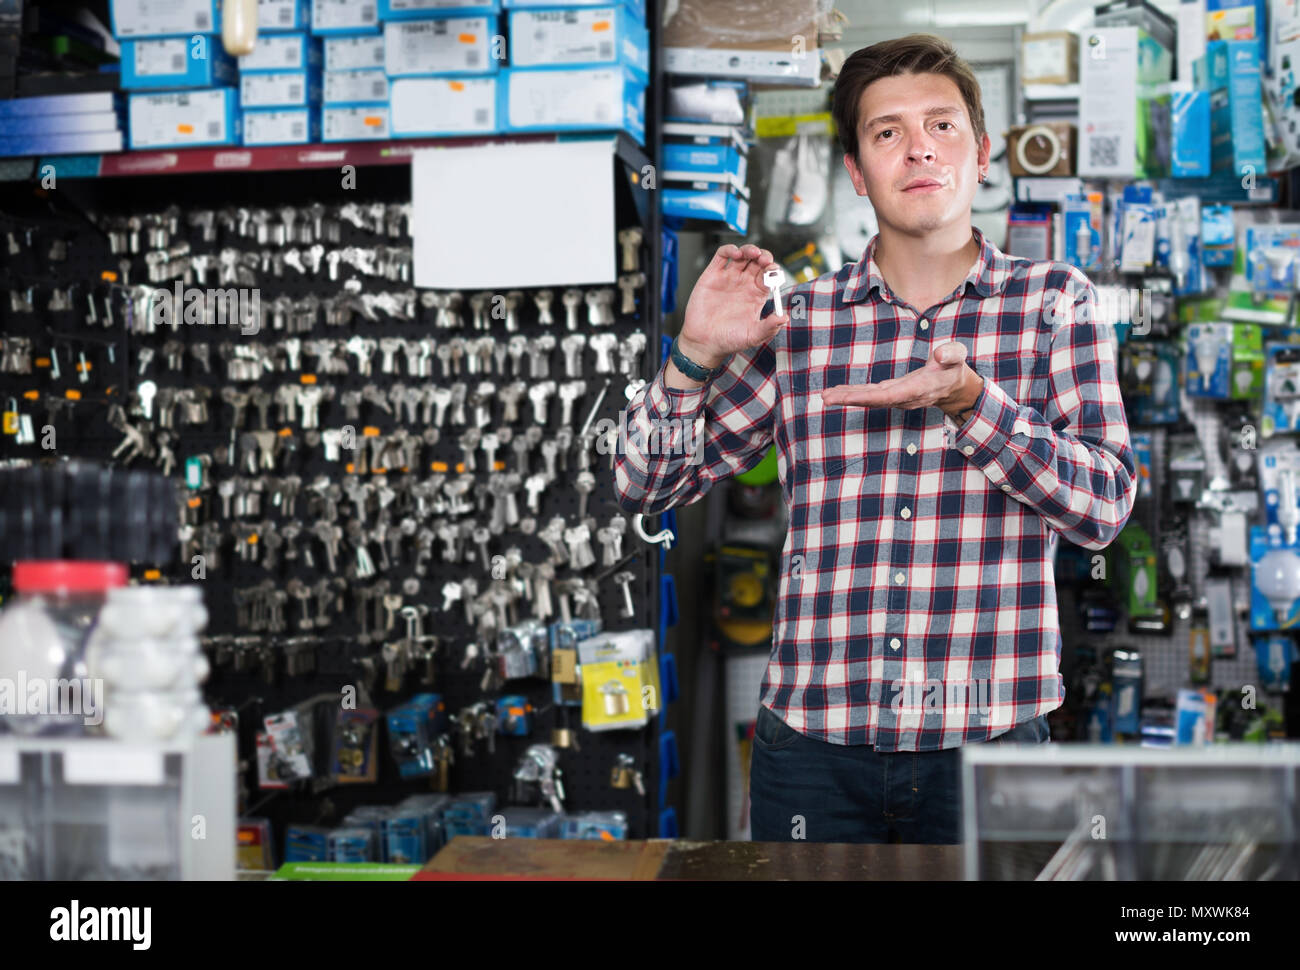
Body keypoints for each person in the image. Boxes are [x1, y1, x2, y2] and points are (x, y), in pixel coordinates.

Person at [613, 34, 1137, 844]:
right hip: (815, 752)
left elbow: (1104, 507)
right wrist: (691, 358)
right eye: (886, 132)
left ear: (982, 153)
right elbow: (644, 487)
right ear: (857, 172)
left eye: (942, 124)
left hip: (987, 740)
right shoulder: (804, 323)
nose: (918, 146)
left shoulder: (1055, 303)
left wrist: (972, 404)